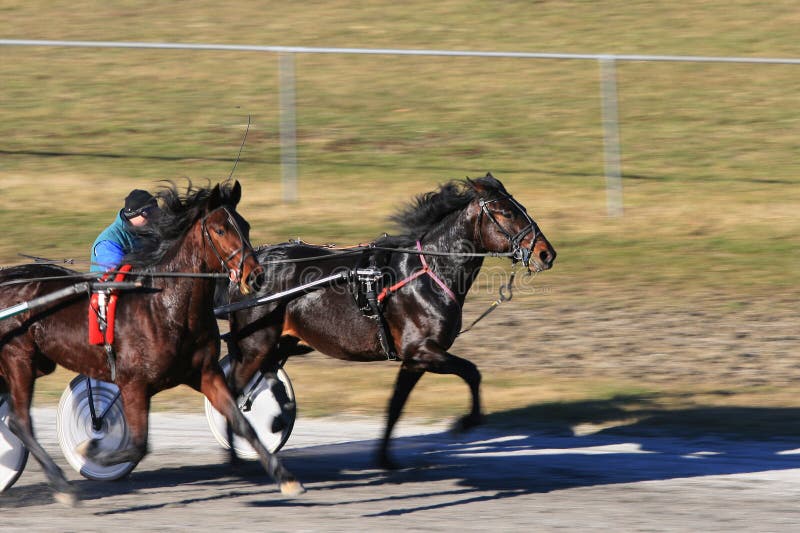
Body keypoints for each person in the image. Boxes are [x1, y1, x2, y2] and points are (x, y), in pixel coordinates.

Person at [90, 189, 158, 272]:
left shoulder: (152, 231)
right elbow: (116, 272)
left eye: (155, 211)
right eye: (148, 212)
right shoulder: (108, 241)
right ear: (133, 214)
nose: (154, 217)